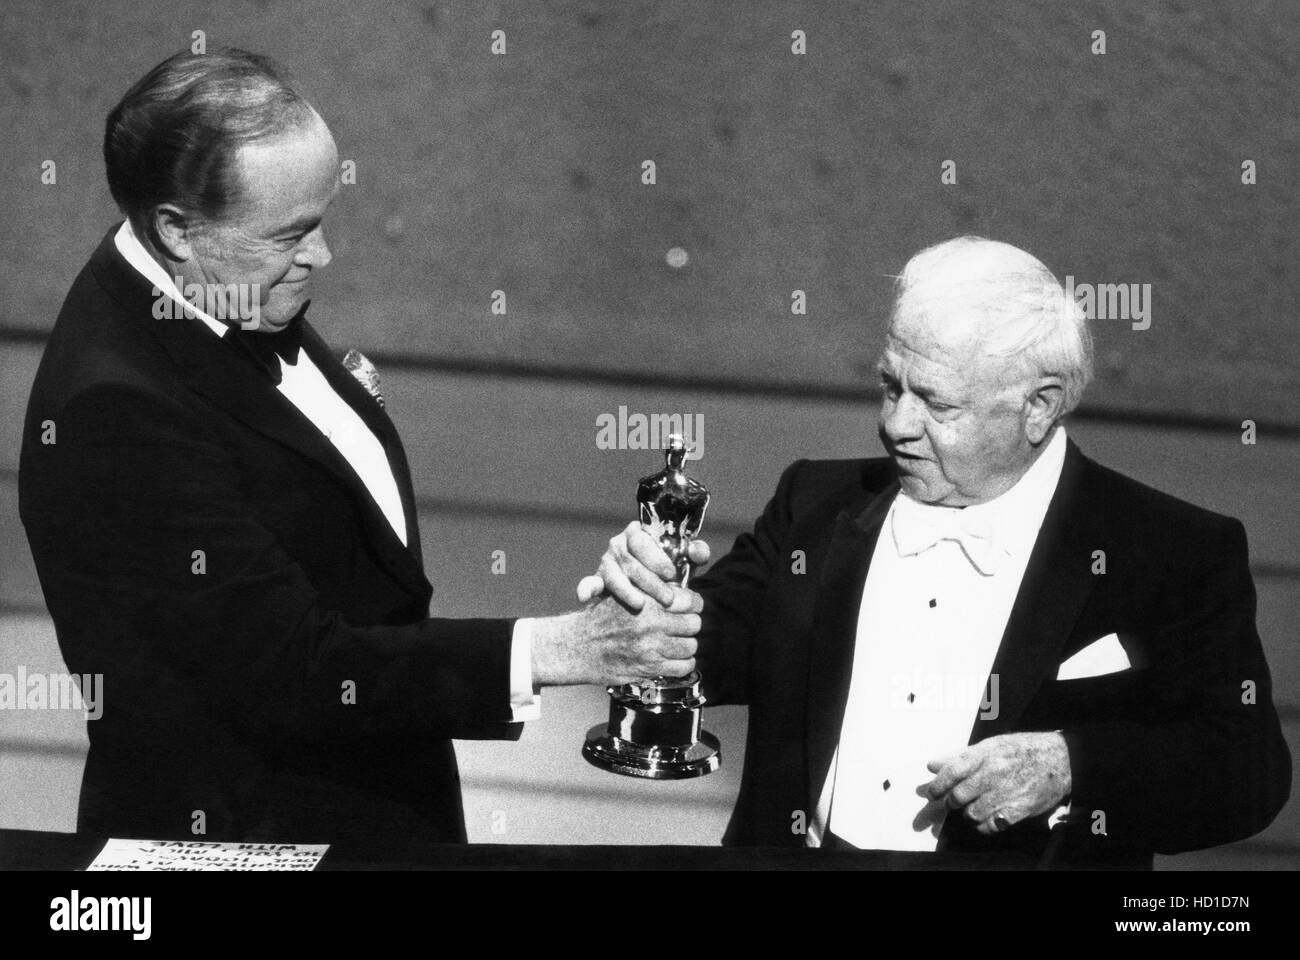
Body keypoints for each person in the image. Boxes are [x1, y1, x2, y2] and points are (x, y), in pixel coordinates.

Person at [18, 47, 701, 851]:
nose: (323, 256)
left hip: (373, 799)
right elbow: (295, 672)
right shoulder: (114, 413)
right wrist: (563, 647)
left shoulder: (221, 284)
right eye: (293, 235)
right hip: (252, 841)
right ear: (175, 229)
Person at [593, 236, 1291, 866]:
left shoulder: (1169, 551)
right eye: (890, 385)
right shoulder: (814, 502)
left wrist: (1073, 763)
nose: (896, 424)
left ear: (1039, 407)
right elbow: (711, 647)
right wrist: (647, 596)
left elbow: (1248, 771)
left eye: (937, 404)